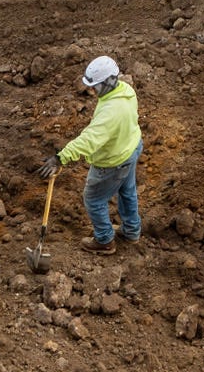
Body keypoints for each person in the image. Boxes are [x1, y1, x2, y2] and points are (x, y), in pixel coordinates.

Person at [39, 55, 141, 255]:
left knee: (93, 199)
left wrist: (61, 157)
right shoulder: (125, 91)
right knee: (127, 192)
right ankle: (131, 230)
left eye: (96, 86)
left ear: (109, 82)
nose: (92, 90)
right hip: (131, 148)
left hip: (113, 162)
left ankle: (104, 240)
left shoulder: (112, 111)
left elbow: (90, 139)